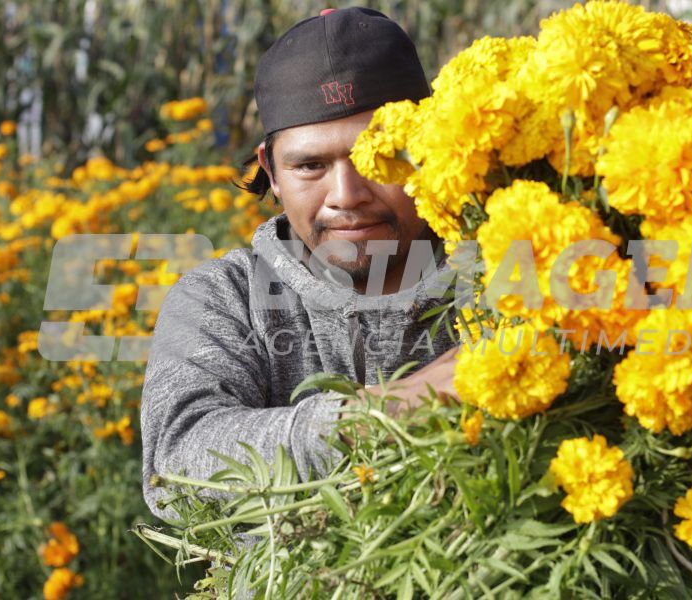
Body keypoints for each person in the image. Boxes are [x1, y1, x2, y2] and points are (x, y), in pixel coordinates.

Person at [141, 7, 461, 525]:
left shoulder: (502, 280)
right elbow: (177, 467)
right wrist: (385, 413)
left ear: (431, 148)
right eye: (311, 165)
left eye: (378, 158)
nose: (346, 196)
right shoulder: (226, 297)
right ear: (270, 168)